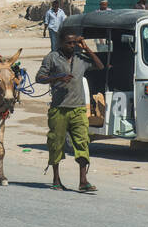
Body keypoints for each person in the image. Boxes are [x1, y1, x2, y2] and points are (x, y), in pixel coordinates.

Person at [36, 32, 105, 193]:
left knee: (82, 143)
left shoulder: (80, 58)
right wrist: (58, 77)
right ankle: (56, 179)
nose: (72, 46)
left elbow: (100, 66)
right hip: (59, 109)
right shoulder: (52, 58)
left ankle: (83, 181)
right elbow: (39, 77)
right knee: (56, 144)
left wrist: (86, 47)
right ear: (61, 43)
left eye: (75, 43)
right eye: (69, 43)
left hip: (78, 108)